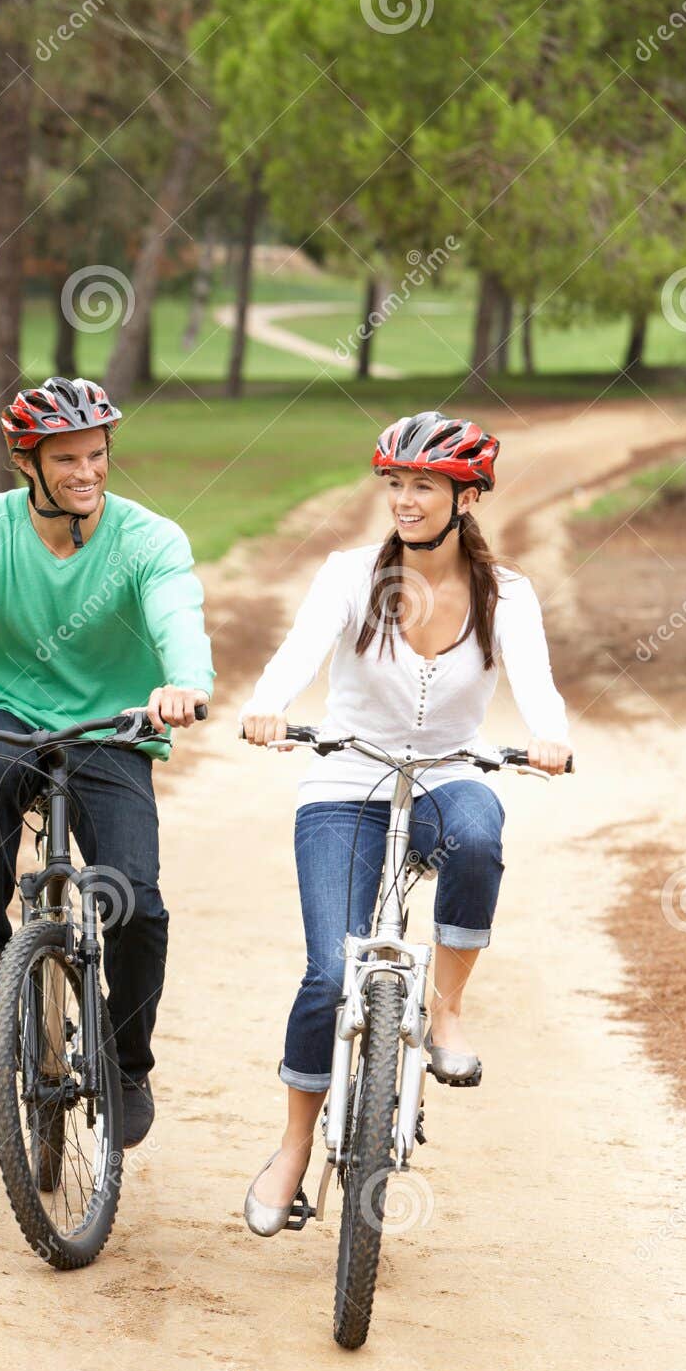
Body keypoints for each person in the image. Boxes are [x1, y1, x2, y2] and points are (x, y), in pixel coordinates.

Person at [239, 410, 571, 1234]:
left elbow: (536, 682)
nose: (405, 500)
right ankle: (294, 1146)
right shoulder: (350, 575)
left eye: (424, 485)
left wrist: (549, 735)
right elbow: (299, 650)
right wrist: (267, 705)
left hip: (446, 774)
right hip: (345, 779)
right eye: (395, 483)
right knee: (328, 972)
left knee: (479, 831)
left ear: (467, 497)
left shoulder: (505, 594)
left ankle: (446, 1008)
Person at [0, 376, 214, 1146]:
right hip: (9, 712)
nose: (86, 472)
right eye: (66, 458)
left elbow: (177, 613)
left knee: (136, 903)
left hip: (112, 727)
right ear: (24, 460)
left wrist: (185, 683)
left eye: (96, 454)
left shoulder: (149, 538)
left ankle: (127, 1064)